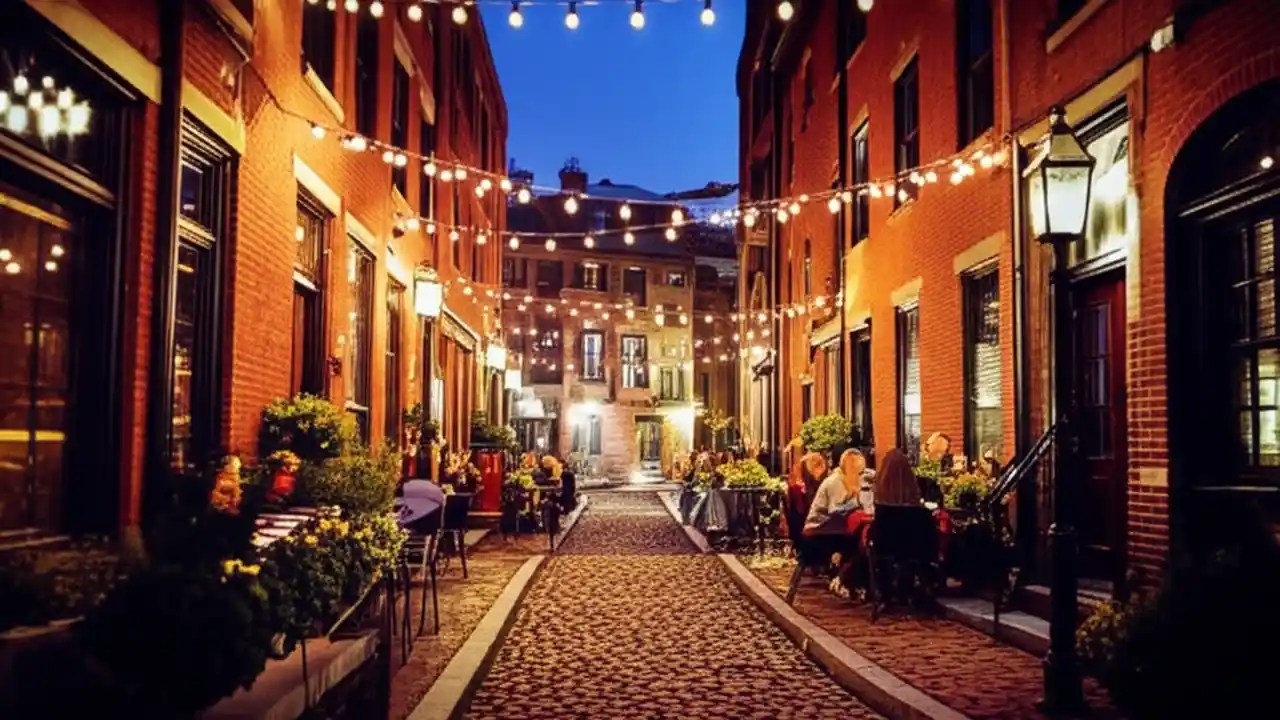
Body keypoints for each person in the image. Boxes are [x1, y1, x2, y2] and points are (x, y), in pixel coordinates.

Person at [803, 449, 874, 534]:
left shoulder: (858, 480)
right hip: (818, 531)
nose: (861, 476)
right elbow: (836, 512)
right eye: (857, 471)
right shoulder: (834, 482)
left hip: (834, 530)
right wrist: (856, 503)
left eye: (862, 471)